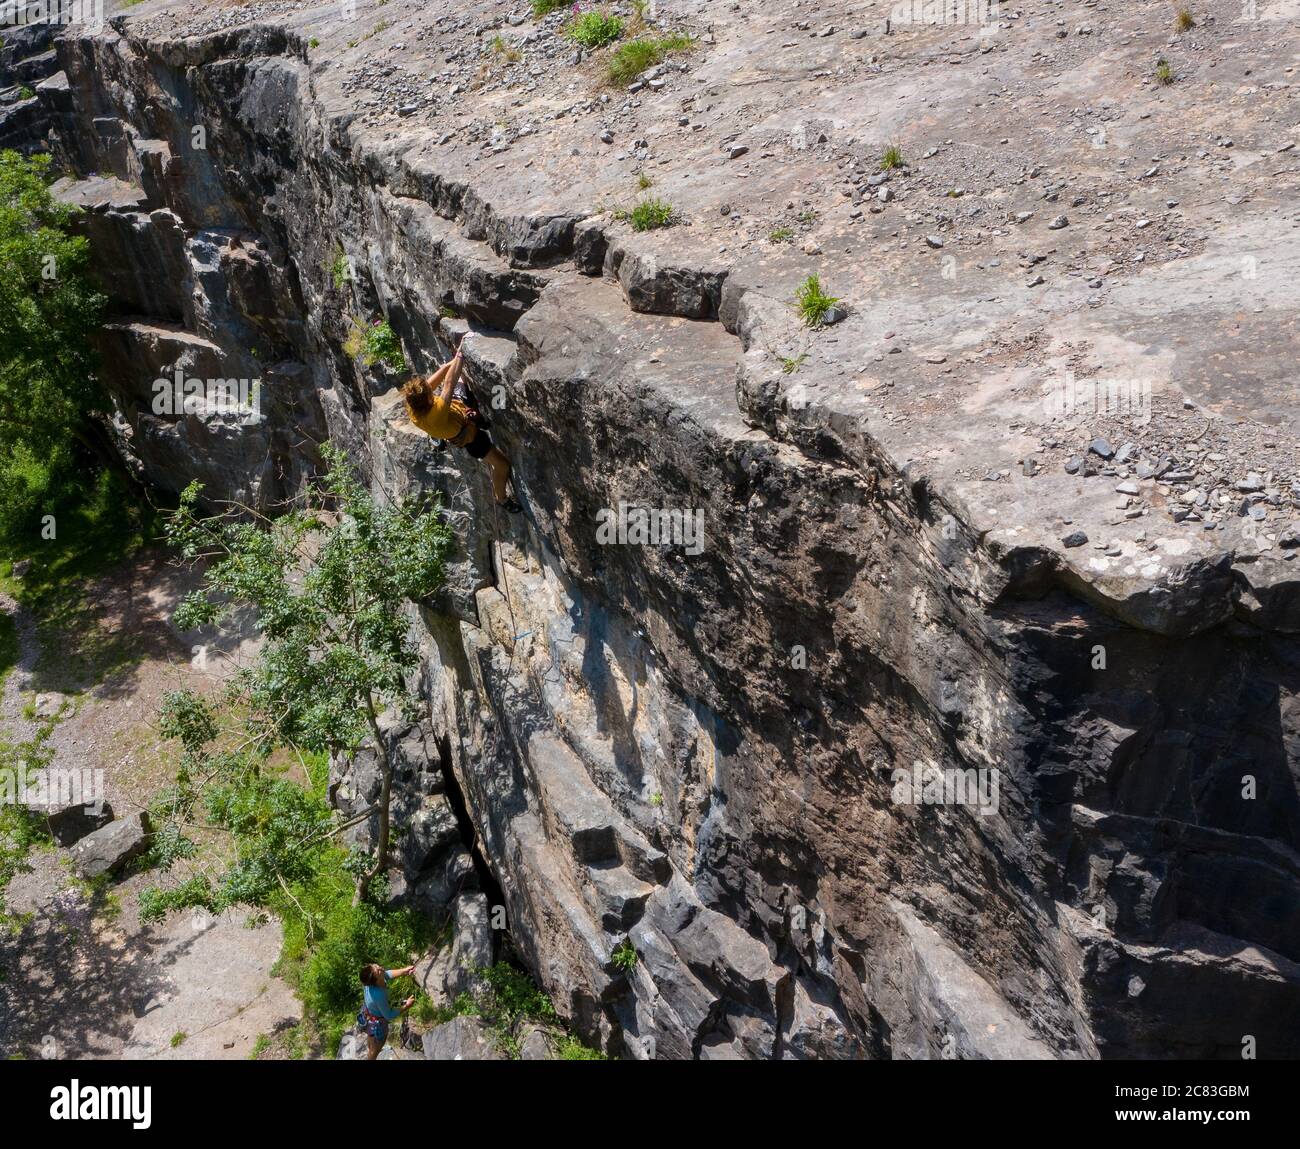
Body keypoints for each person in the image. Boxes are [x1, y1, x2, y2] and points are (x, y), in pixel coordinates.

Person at [401, 338, 522, 513]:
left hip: (458, 410)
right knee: (502, 465)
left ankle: (439, 436)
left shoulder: (413, 405)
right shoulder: (435, 414)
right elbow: (448, 383)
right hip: (470, 438)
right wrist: (461, 352)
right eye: (429, 392)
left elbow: (444, 371)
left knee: (463, 376)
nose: (430, 388)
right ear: (427, 399)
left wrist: (457, 358)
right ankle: (501, 499)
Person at [357, 962, 416, 1059]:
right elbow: (389, 1015)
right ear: (376, 981)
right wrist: (406, 1006)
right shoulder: (378, 994)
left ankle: (371, 1045)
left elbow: (387, 974)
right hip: (377, 1022)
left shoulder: (372, 982)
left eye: (375, 966)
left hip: (369, 1014)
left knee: (371, 1039)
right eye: (378, 970)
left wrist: (404, 970)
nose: (380, 967)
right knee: (375, 1050)